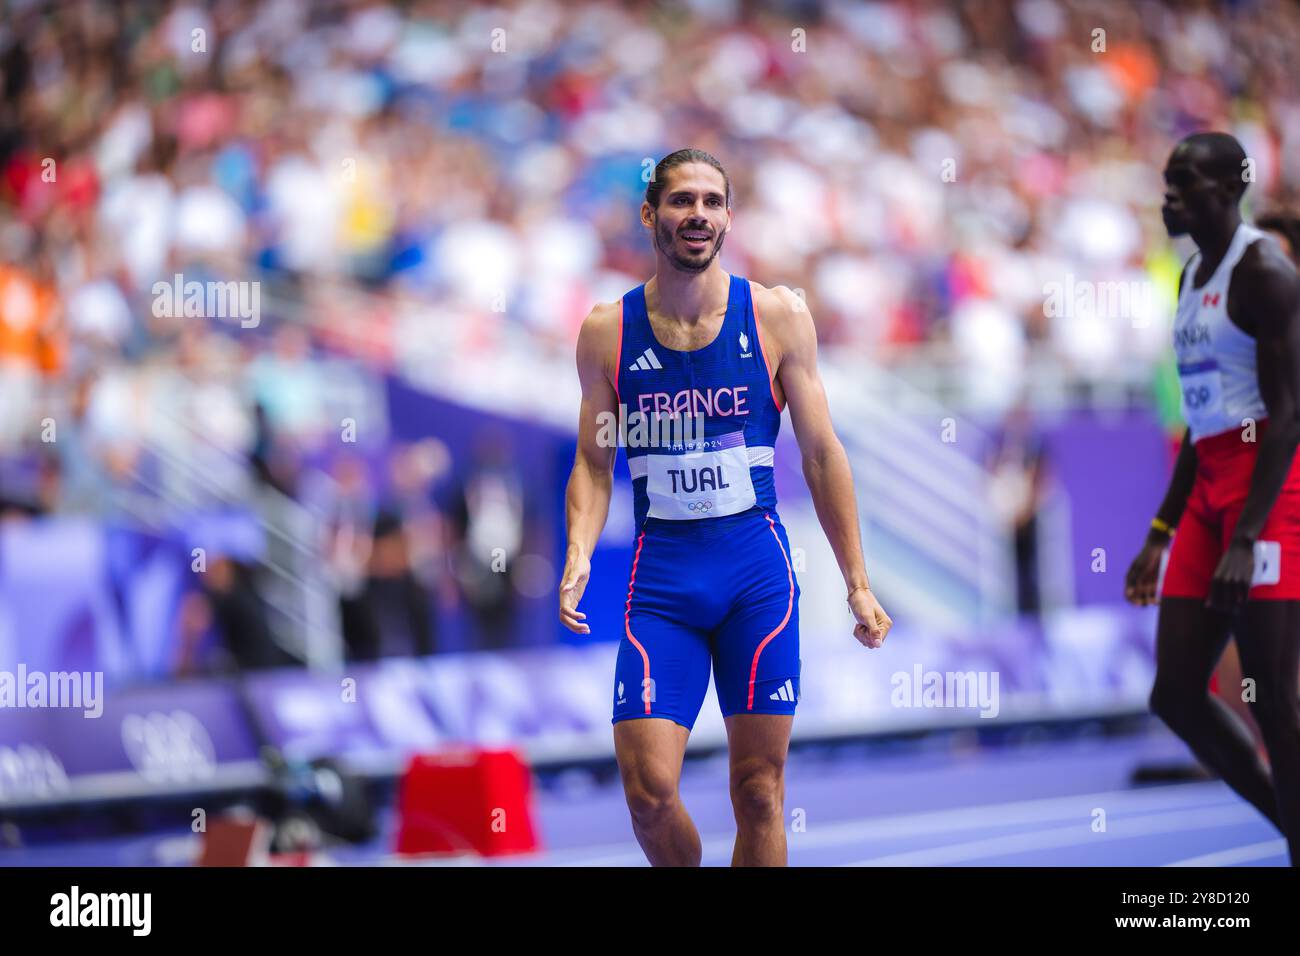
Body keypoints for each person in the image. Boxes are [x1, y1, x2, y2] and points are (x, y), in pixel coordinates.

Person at [559, 149, 891, 866]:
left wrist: (857, 581)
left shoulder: (775, 316)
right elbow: (594, 459)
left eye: (712, 202)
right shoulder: (606, 333)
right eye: (682, 201)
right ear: (651, 215)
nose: (698, 215)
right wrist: (579, 548)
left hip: (755, 579)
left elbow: (824, 454)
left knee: (761, 792)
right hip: (664, 587)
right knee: (649, 792)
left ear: (728, 217)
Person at [1123, 133, 1300, 864]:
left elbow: (1288, 412)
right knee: (1176, 695)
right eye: (1166, 183)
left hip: (1268, 484)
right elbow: (1201, 422)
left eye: (1185, 184)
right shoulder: (1190, 275)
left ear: (1230, 189)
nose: (1169, 198)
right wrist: (1161, 531)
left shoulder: (1266, 271)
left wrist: (1247, 535)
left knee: (1270, 701)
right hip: (1207, 484)